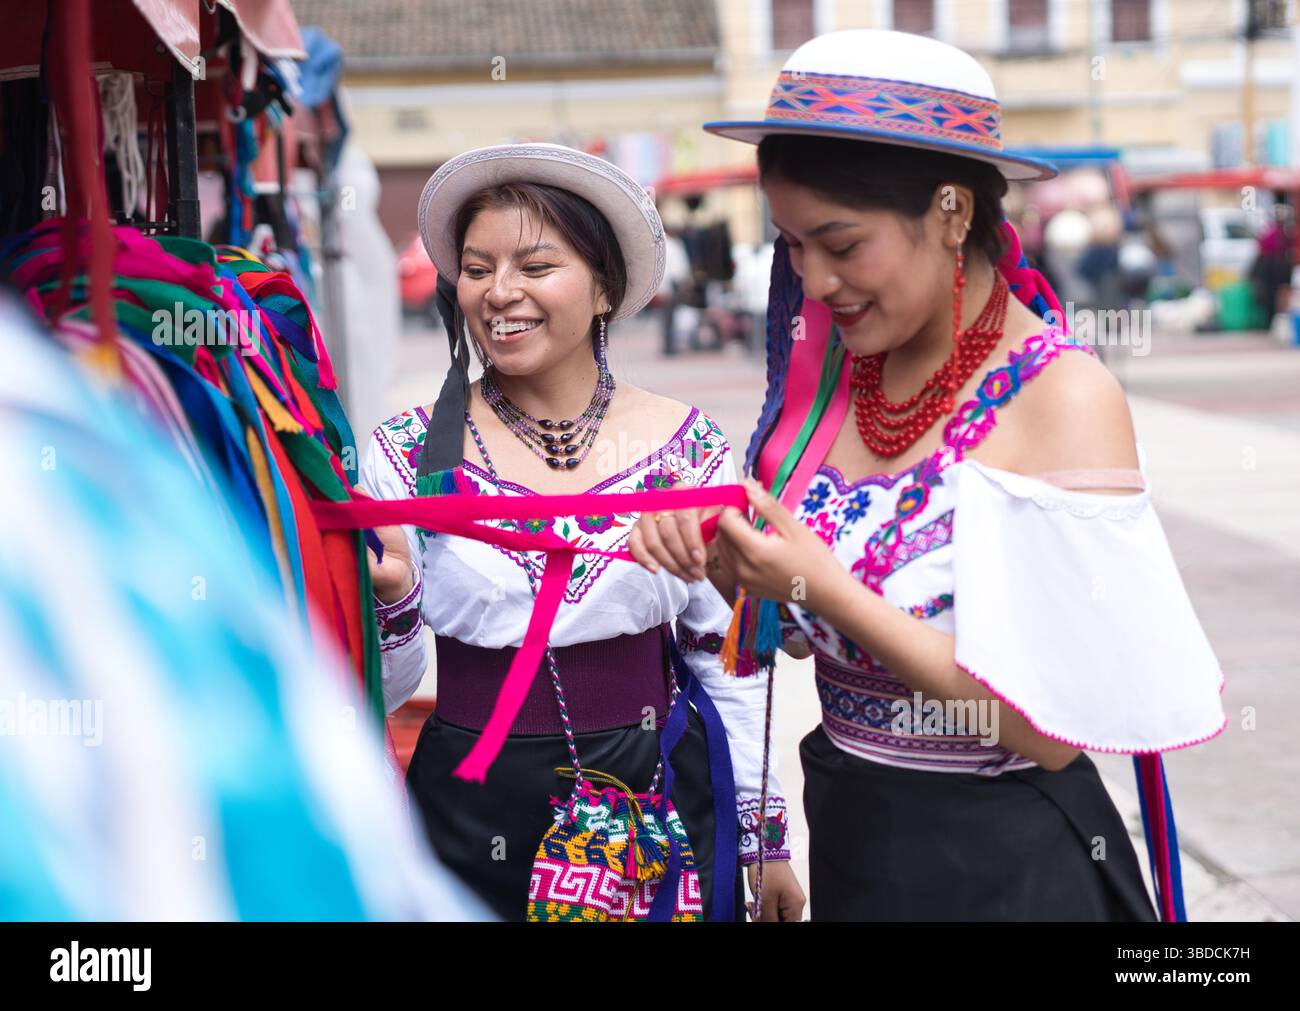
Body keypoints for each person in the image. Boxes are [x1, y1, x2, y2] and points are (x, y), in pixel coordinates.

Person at [631, 30, 1225, 921]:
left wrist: (817, 582)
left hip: (1004, 867)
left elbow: (1041, 729)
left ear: (952, 212)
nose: (814, 280)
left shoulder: (1063, 396)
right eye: (792, 245)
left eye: (841, 242)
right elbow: (803, 627)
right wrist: (730, 565)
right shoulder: (840, 382)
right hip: (860, 840)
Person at [358, 144, 804, 922]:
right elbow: (384, 690)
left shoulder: (686, 446)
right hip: (471, 804)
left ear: (604, 286)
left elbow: (728, 656)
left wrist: (763, 837)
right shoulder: (408, 453)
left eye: (535, 266)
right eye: (476, 267)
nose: (500, 293)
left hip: (656, 794)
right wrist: (391, 600)